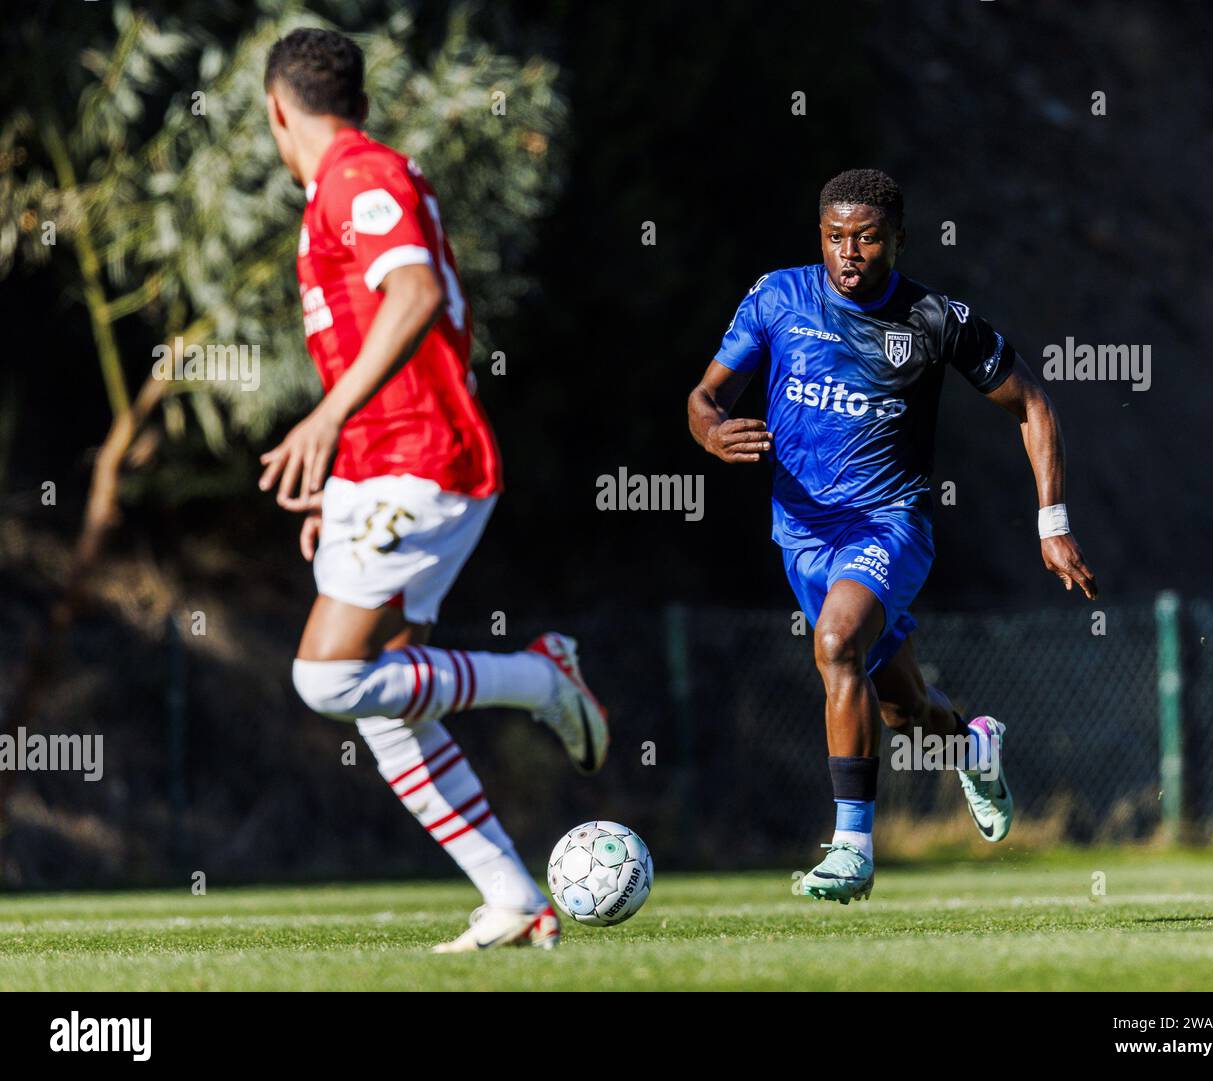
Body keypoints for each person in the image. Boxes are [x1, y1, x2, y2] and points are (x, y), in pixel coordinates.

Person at [260, 28, 608, 950]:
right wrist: (339, 485)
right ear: (361, 101)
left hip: (424, 457)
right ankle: (514, 898)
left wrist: (326, 420)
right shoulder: (343, 181)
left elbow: (413, 297)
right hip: (381, 465)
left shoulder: (354, 178)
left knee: (327, 677)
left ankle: (539, 676)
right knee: (382, 703)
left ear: (275, 110)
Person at [687, 168, 1096, 904]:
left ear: (897, 241)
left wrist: (1053, 522)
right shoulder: (778, 296)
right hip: (803, 538)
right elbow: (705, 395)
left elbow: (1031, 402)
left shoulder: (935, 320)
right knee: (904, 709)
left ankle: (851, 848)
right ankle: (975, 746)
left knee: (838, 642)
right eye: (835, 237)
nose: (849, 252)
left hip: (889, 524)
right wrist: (713, 431)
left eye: (867, 238)